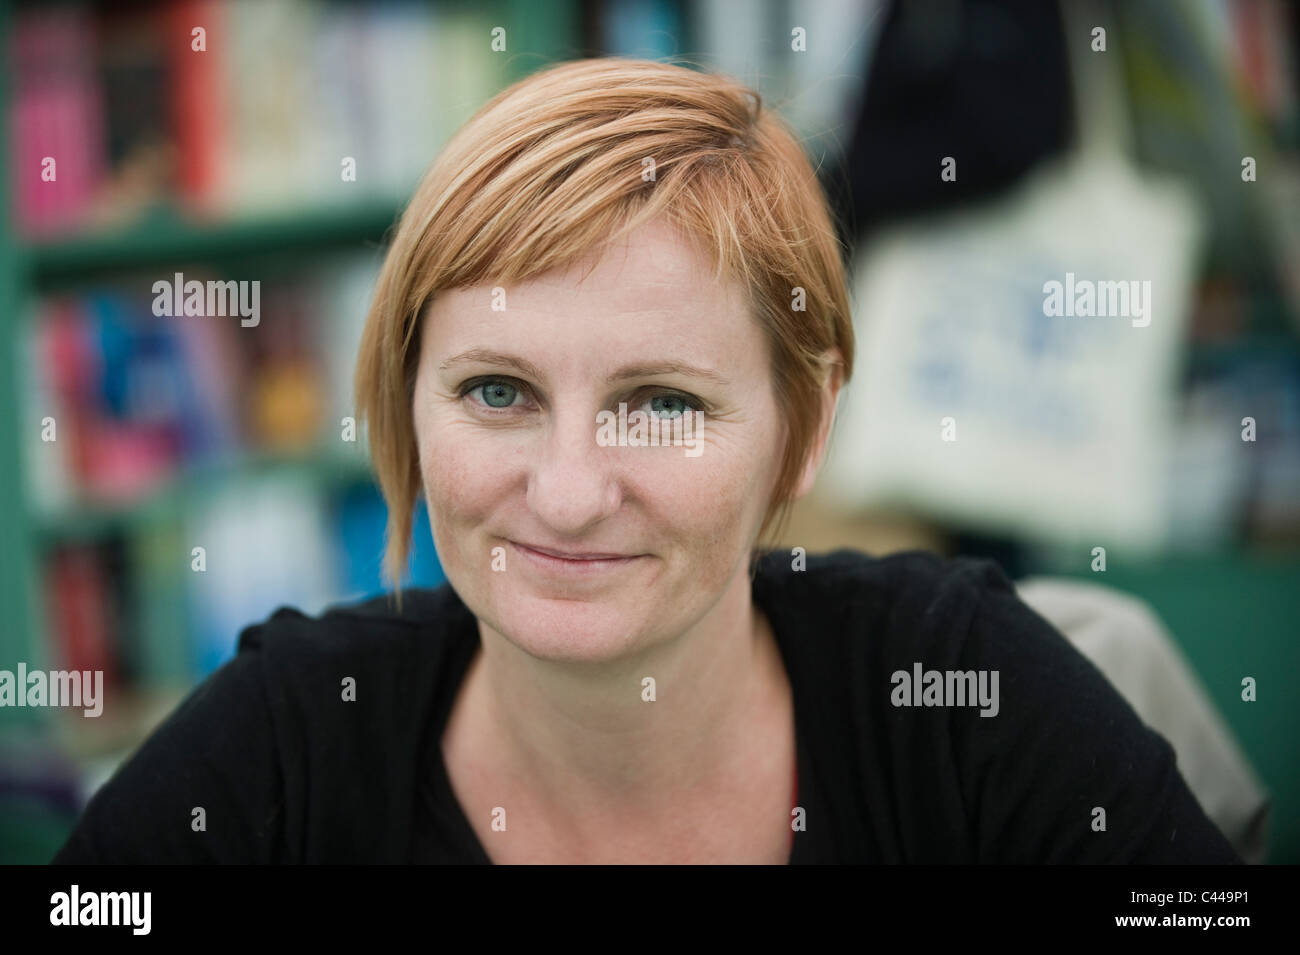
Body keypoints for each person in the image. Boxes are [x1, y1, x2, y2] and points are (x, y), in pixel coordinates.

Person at [52, 58, 1241, 864]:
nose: (568, 492)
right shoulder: (293, 743)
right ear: (406, 403)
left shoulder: (956, 696)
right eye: (497, 391)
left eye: (661, 402)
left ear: (806, 421)